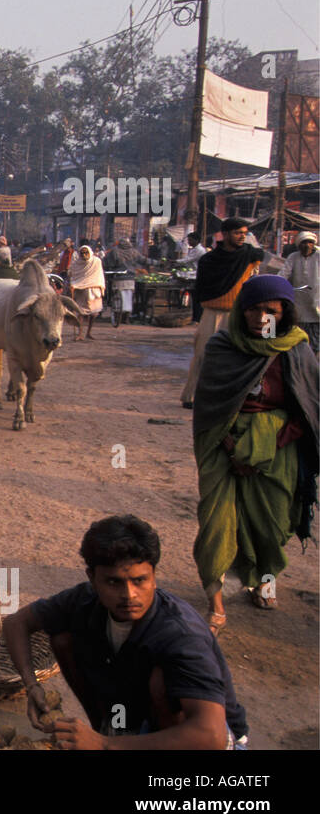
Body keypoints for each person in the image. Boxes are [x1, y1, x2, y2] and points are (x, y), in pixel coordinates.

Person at [4, 516, 248, 750]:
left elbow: (212, 736)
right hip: (139, 719)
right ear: (93, 578)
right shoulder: (84, 600)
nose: (129, 595)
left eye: (140, 580)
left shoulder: (181, 634)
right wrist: (32, 685)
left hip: (209, 741)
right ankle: (108, 729)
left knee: (160, 681)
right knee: (63, 638)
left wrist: (103, 746)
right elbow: (16, 623)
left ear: (154, 576)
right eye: (113, 582)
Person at [193, 275, 318, 633]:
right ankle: (215, 603)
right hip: (223, 443)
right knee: (216, 524)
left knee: (272, 523)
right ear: (240, 312)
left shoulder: (296, 348)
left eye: (271, 311)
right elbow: (210, 404)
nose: (262, 318)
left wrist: (267, 445)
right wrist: (233, 445)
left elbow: (308, 408)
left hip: (278, 445)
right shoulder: (222, 346)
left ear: (286, 314)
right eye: (254, 310)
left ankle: (266, 581)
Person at [180, 217, 265, 407]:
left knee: (238, 356)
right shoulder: (209, 260)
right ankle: (192, 396)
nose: (242, 237)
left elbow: (260, 268)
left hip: (238, 313)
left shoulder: (250, 255)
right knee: (203, 355)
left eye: (244, 233)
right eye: (237, 233)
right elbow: (201, 287)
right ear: (225, 234)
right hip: (211, 312)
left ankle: (233, 398)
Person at [282, 231, 319, 351]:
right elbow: (284, 273)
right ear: (299, 245)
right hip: (299, 301)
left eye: (310, 242)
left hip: (317, 300)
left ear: (314, 244)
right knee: (298, 334)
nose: (307, 245)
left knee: (315, 339)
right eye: (304, 242)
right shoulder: (293, 257)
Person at [69, 244, 106, 341]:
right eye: (82, 253)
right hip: (81, 290)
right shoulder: (76, 264)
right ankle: (80, 334)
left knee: (94, 314)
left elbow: (99, 275)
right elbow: (72, 275)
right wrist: (73, 284)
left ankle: (89, 332)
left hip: (94, 290)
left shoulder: (97, 261)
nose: (84, 255)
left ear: (90, 252)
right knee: (81, 312)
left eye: (86, 253)